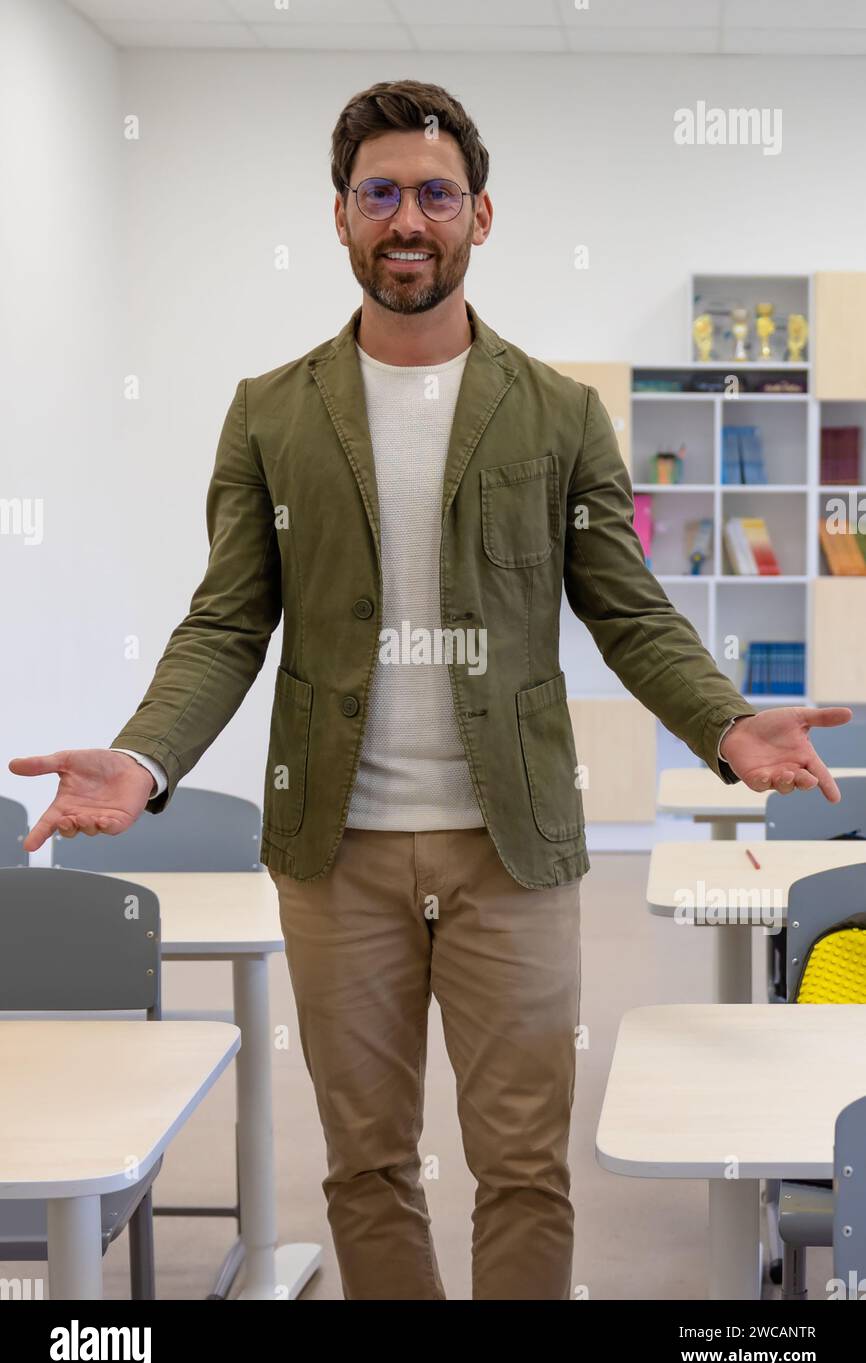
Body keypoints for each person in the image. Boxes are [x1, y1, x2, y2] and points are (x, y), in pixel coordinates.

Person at [10, 78, 851, 1300]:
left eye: (435, 194)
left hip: (510, 850)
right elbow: (226, 620)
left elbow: (621, 605)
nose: (409, 220)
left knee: (520, 1167)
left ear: (481, 214)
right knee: (364, 1164)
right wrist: (144, 759)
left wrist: (721, 719)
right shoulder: (269, 413)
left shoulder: (557, 413)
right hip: (332, 850)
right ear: (342, 216)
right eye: (381, 193)